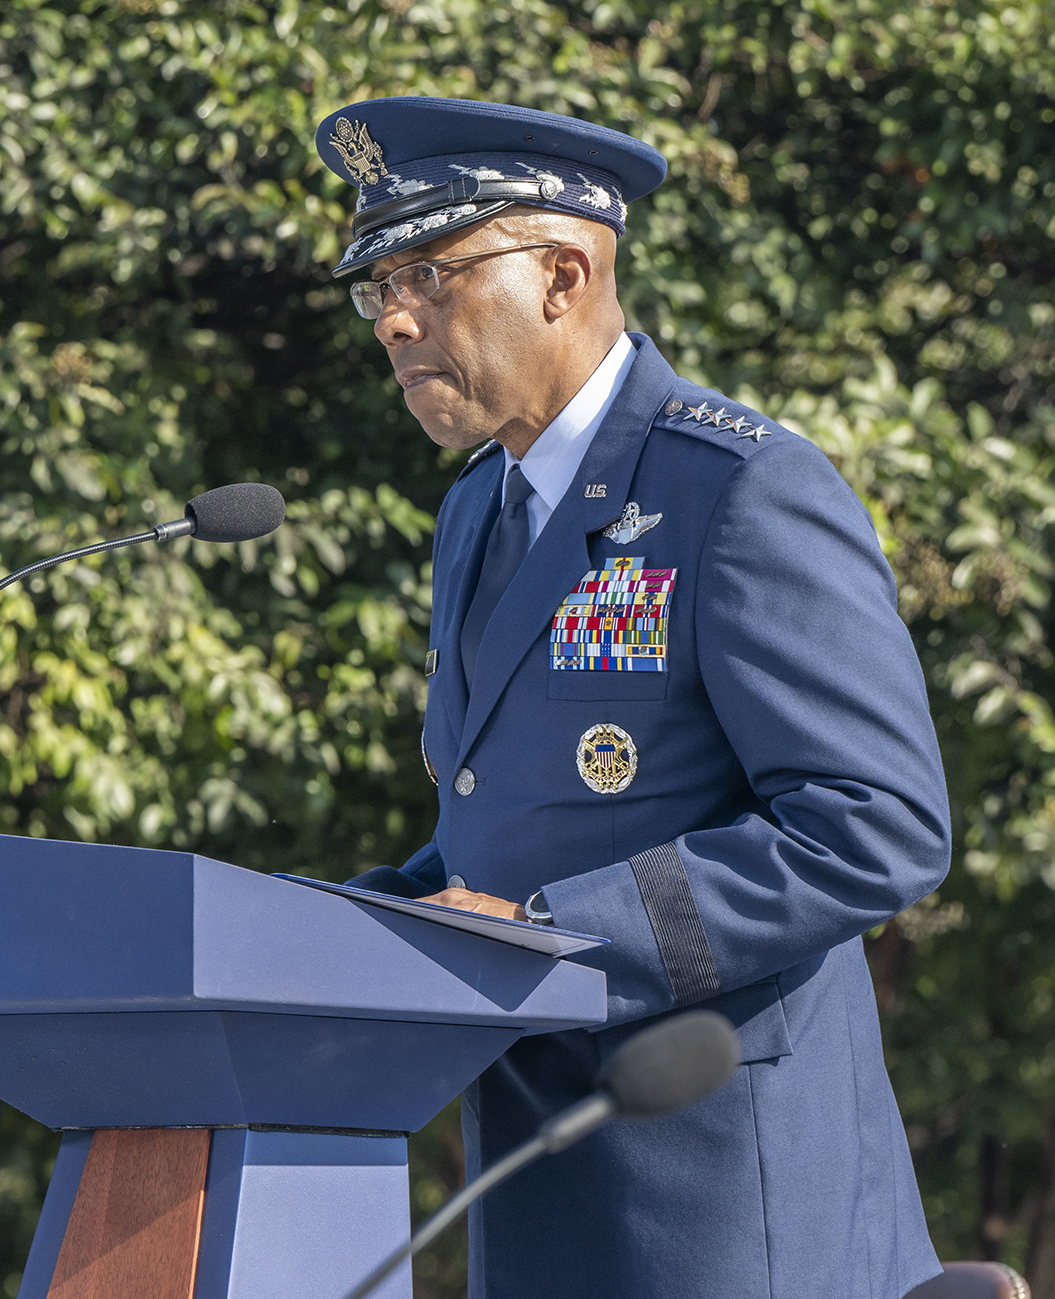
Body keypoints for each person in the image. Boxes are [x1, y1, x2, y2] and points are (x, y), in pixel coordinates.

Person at [320, 96, 953, 1297]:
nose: (393, 318)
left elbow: (878, 825)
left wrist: (565, 929)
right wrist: (344, 926)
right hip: (535, 1168)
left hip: (723, 1196)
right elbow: (501, 827)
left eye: (430, 274)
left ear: (565, 272)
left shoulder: (743, 486)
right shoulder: (477, 510)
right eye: (375, 286)